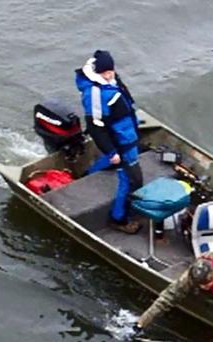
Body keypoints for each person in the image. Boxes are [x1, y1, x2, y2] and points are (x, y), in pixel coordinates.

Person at [75, 50, 144, 234]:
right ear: (97, 73)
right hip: (120, 141)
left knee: (125, 167)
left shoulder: (112, 81)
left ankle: (88, 173)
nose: (109, 75)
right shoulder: (94, 93)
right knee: (132, 180)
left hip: (127, 134)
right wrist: (112, 151)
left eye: (110, 71)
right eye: (105, 72)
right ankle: (118, 219)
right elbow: (96, 126)